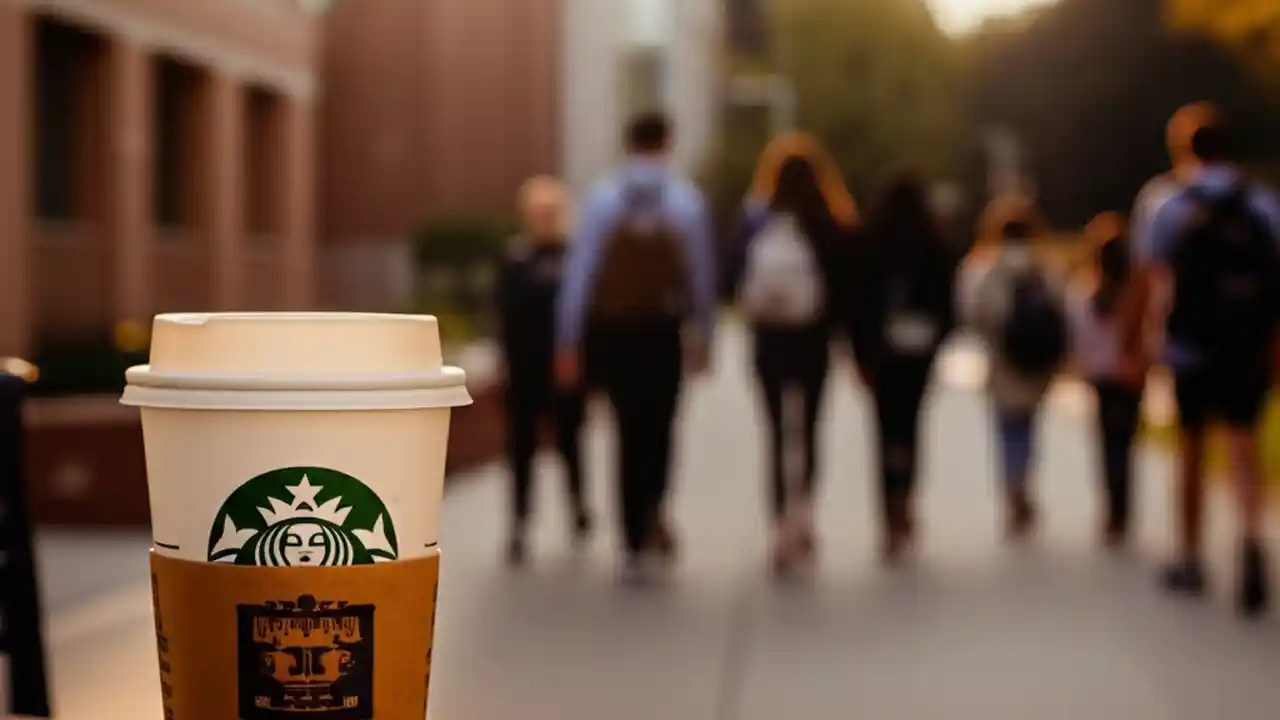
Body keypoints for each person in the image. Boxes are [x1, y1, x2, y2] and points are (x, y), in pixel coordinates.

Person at [554, 112, 716, 584]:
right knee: (661, 425)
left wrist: (567, 341)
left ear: (627, 143)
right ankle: (654, 509)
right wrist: (703, 334)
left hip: (613, 331)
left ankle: (629, 536)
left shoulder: (604, 198)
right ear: (668, 142)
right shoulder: (684, 201)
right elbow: (701, 278)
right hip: (662, 331)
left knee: (625, 427)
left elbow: (580, 275)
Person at [1128, 115, 1280, 618]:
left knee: (1190, 447)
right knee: (1243, 442)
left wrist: (1143, 342)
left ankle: (1190, 554)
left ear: (1182, 150)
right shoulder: (1260, 202)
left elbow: (1151, 278)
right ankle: (1251, 534)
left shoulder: (1170, 203)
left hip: (1191, 347)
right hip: (1246, 343)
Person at [735, 133, 858, 575]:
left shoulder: (756, 219)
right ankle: (802, 515)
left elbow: (734, 273)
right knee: (807, 428)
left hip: (769, 337)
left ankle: (778, 523)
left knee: (774, 431)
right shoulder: (828, 219)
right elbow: (846, 288)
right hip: (813, 337)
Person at [851, 173, 957, 562]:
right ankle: (907, 499)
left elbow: (858, 303)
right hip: (920, 348)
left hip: (882, 351)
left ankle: (888, 509)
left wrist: (860, 353)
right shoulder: (934, 243)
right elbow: (948, 302)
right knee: (911, 426)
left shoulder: (869, 242)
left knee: (883, 429)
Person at [958, 195, 1067, 540]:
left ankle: (1012, 484)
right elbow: (1062, 310)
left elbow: (974, 313)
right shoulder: (1044, 267)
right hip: (1037, 363)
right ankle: (1025, 483)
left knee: (1007, 427)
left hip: (1003, 359)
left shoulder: (986, 268)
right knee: (1030, 426)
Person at [496, 176, 592, 565]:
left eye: (552, 212)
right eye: (539, 213)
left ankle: (578, 507)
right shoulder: (515, 259)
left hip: (565, 369)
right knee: (521, 450)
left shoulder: (575, 258)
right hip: (524, 370)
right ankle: (519, 522)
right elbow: (502, 316)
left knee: (572, 443)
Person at [1067, 212, 1146, 548]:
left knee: (1107, 443)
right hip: (1129, 376)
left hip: (1101, 377)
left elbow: (1079, 338)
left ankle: (1111, 511)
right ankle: (1123, 508)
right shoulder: (1136, 294)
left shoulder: (1085, 291)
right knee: (1126, 444)